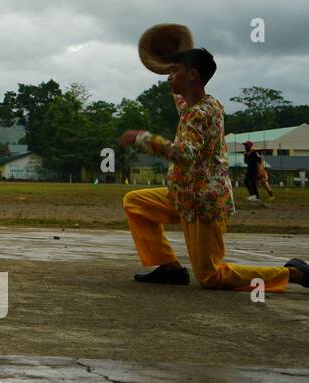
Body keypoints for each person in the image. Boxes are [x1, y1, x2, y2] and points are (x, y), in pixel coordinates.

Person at [120, 48, 307, 292]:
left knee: (211, 276)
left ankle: (293, 274)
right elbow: (181, 98)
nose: (168, 77)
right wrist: (178, 57)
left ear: (193, 76)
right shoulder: (199, 104)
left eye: (174, 71)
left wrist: (144, 139)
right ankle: (169, 268)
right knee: (136, 203)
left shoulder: (199, 112)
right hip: (183, 196)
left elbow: (185, 154)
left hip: (202, 203)